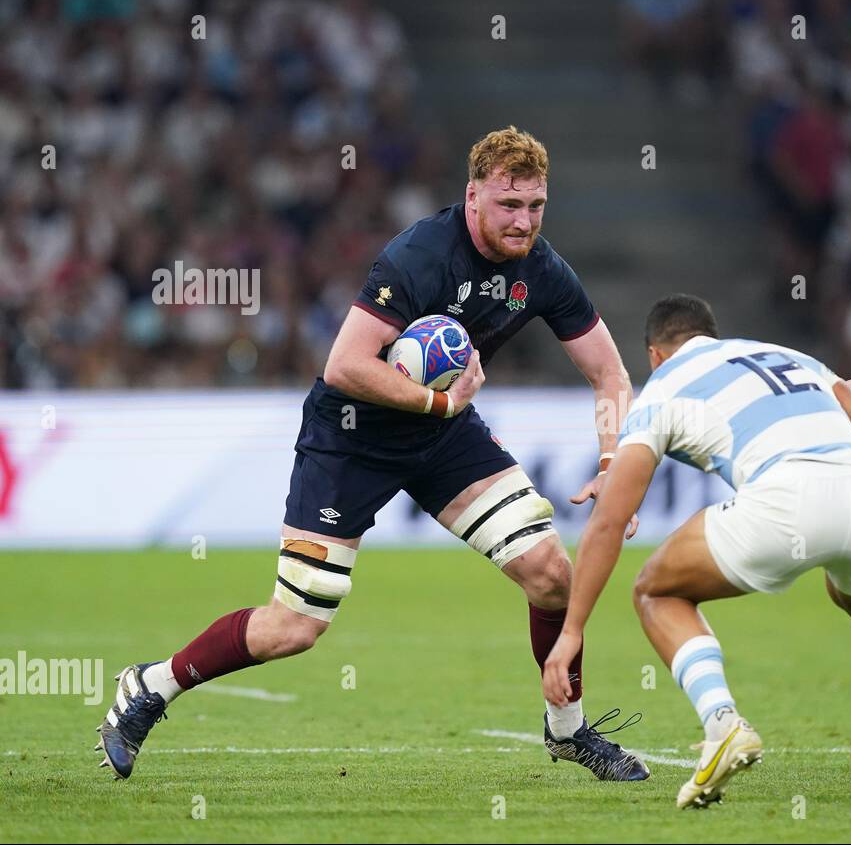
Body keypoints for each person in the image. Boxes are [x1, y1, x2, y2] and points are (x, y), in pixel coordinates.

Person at [96, 127, 649, 782]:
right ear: (473, 197)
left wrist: (615, 459)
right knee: (294, 625)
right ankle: (152, 685)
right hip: (351, 435)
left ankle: (566, 730)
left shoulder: (543, 271)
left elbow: (611, 375)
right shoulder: (419, 255)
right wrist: (442, 403)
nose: (523, 221)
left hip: (441, 436)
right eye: (508, 205)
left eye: (535, 206)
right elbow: (344, 365)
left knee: (552, 573)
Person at [541, 294, 851, 808]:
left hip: (786, 500)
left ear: (654, 355)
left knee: (655, 590)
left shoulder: (661, 388)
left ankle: (722, 723)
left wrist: (571, 630)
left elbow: (608, 523)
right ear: (715, 335)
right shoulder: (794, 358)